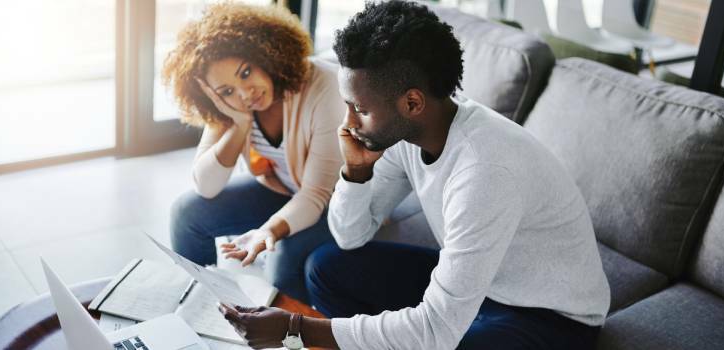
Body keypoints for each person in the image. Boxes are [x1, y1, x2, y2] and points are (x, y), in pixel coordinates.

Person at [216, 1, 611, 349]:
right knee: (327, 267)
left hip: (550, 318)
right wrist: (355, 172)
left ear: (412, 102)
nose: (347, 122)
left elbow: (437, 331)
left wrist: (295, 328)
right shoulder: (407, 131)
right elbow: (350, 236)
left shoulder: (484, 171)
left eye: (359, 108)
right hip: (487, 285)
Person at [163, 2, 344, 304]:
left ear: (265, 53)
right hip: (286, 190)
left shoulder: (324, 87)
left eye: (246, 72)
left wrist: (267, 231)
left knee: (281, 261)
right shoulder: (231, 108)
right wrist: (240, 124)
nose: (246, 93)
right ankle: (200, 310)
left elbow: (315, 196)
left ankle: (292, 342)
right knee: (186, 213)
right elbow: (206, 186)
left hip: (339, 205)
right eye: (226, 91)